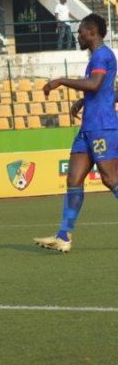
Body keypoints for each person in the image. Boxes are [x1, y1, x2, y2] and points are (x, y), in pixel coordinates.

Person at [35, 13, 118, 253]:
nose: (78, 35)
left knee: (110, 179)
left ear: (92, 32)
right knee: (73, 179)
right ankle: (63, 236)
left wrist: (61, 81)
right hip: (88, 127)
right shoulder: (97, 57)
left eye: (80, 31)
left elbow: (94, 84)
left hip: (102, 126)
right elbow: (103, 90)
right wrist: (84, 101)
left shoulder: (102, 55)